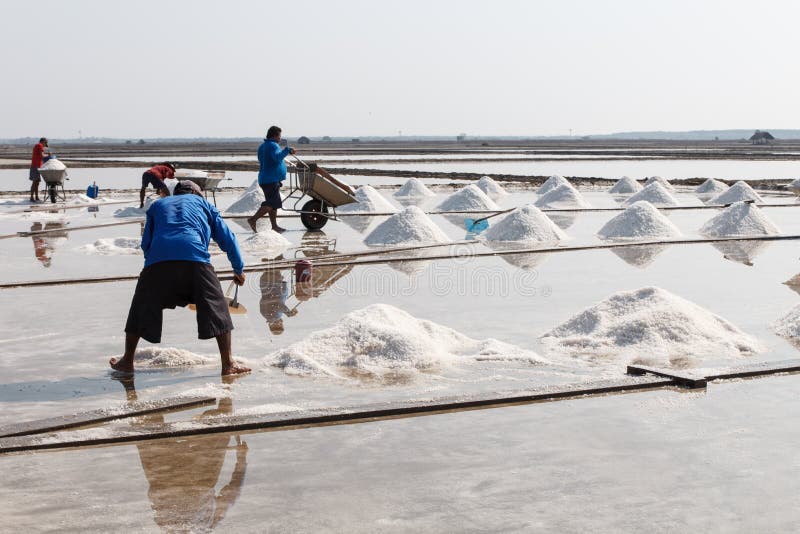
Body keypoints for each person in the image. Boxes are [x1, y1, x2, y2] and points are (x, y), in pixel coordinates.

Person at [110, 180, 251, 376]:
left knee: (141, 307)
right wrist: (238, 269)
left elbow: (146, 243)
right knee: (217, 308)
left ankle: (127, 361)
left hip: (158, 261)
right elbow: (228, 238)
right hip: (195, 259)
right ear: (196, 193)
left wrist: (155, 264)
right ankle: (228, 364)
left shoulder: (158, 204)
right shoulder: (205, 204)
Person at [247, 126, 295, 233]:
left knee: (273, 205)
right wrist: (287, 150)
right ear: (274, 135)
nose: (280, 138)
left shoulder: (262, 146)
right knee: (272, 203)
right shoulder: (273, 146)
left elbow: (264, 160)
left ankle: (274, 226)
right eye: (279, 136)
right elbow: (277, 158)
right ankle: (253, 219)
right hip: (270, 179)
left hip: (266, 178)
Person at [29, 137, 50, 202]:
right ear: (43, 141)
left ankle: (37, 197)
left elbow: (40, 156)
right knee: (35, 182)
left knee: (37, 183)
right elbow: (42, 156)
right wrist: (48, 155)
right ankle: (32, 197)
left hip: (37, 166)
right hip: (35, 166)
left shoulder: (38, 146)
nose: (45, 145)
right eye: (45, 143)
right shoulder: (39, 145)